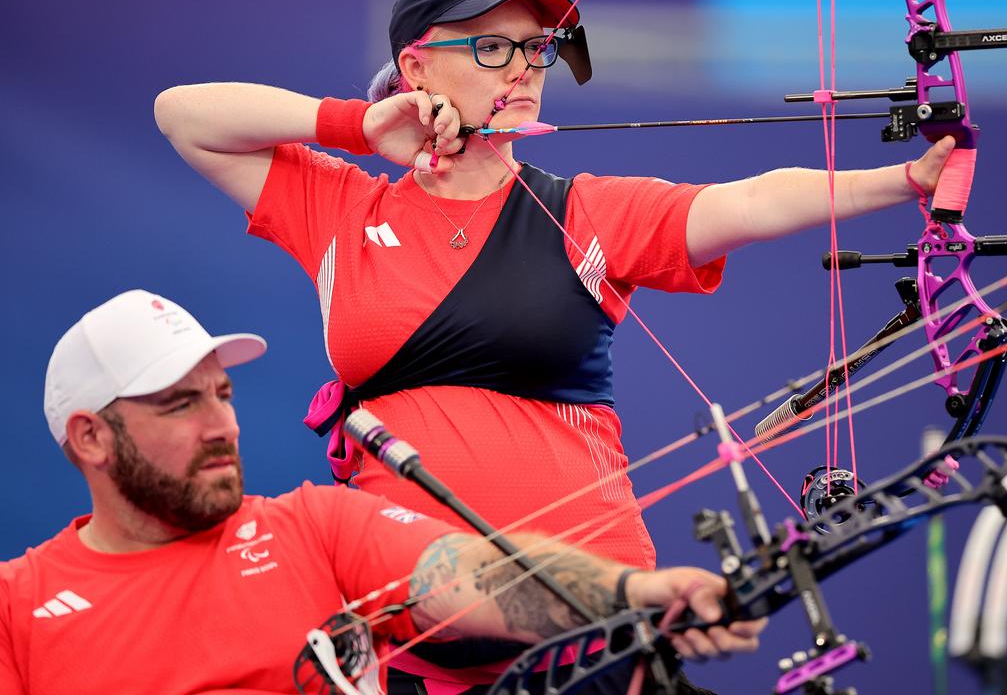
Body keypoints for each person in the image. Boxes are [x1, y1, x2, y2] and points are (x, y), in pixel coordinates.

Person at [153, 0, 949, 689]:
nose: (525, 68)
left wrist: (907, 178)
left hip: (592, 624)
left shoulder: (584, 213)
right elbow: (182, 114)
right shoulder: (344, 210)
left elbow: (749, 202)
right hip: (415, 629)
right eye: (491, 47)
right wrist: (355, 126)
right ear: (416, 67)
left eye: (537, 49)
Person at [0, 290, 765, 695]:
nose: (222, 425)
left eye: (223, 395)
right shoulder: (16, 607)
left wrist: (634, 593)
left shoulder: (313, 526)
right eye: (180, 405)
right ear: (91, 438)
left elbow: (481, 576)